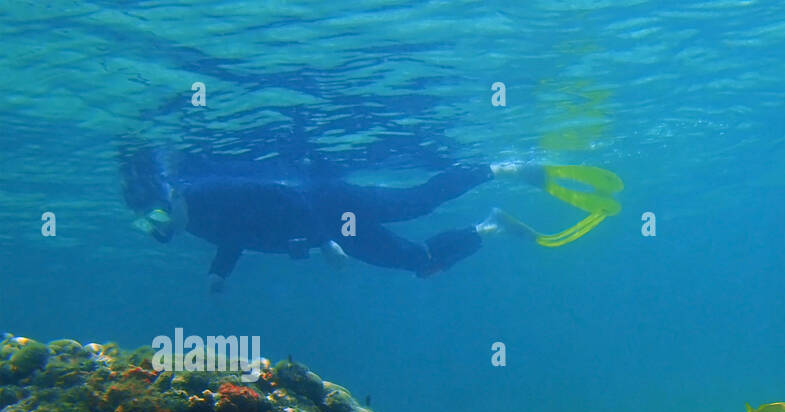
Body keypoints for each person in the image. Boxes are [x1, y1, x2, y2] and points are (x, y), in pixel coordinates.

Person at [122, 149, 549, 291]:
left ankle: (498, 169)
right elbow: (234, 236)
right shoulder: (190, 220)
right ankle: (489, 227)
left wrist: (326, 241)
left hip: (335, 209)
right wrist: (219, 272)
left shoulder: (207, 190)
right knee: (419, 263)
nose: (161, 227)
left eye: (159, 214)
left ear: (171, 193)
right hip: (330, 233)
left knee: (418, 203)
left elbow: (285, 195)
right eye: (150, 223)